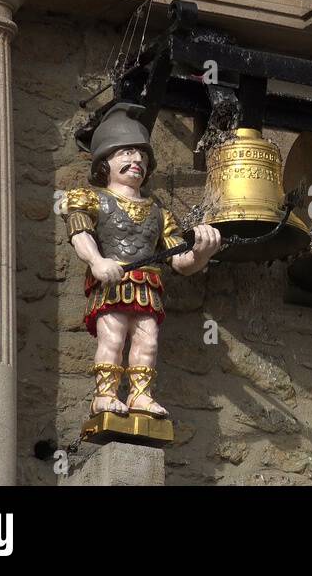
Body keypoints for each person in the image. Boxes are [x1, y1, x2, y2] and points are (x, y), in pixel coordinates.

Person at [61, 103, 221, 419]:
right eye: (126, 153)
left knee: (148, 342)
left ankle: (140, 395)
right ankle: (105, 395)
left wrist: (202, 253)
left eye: (143, 157)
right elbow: (80, 232)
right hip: (112, 281)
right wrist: (97, 261)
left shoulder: (159, 213)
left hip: (146, 285)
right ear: (104, 162)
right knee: (113, 337)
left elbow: (180, 261)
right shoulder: (92, 199)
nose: (137, 160)